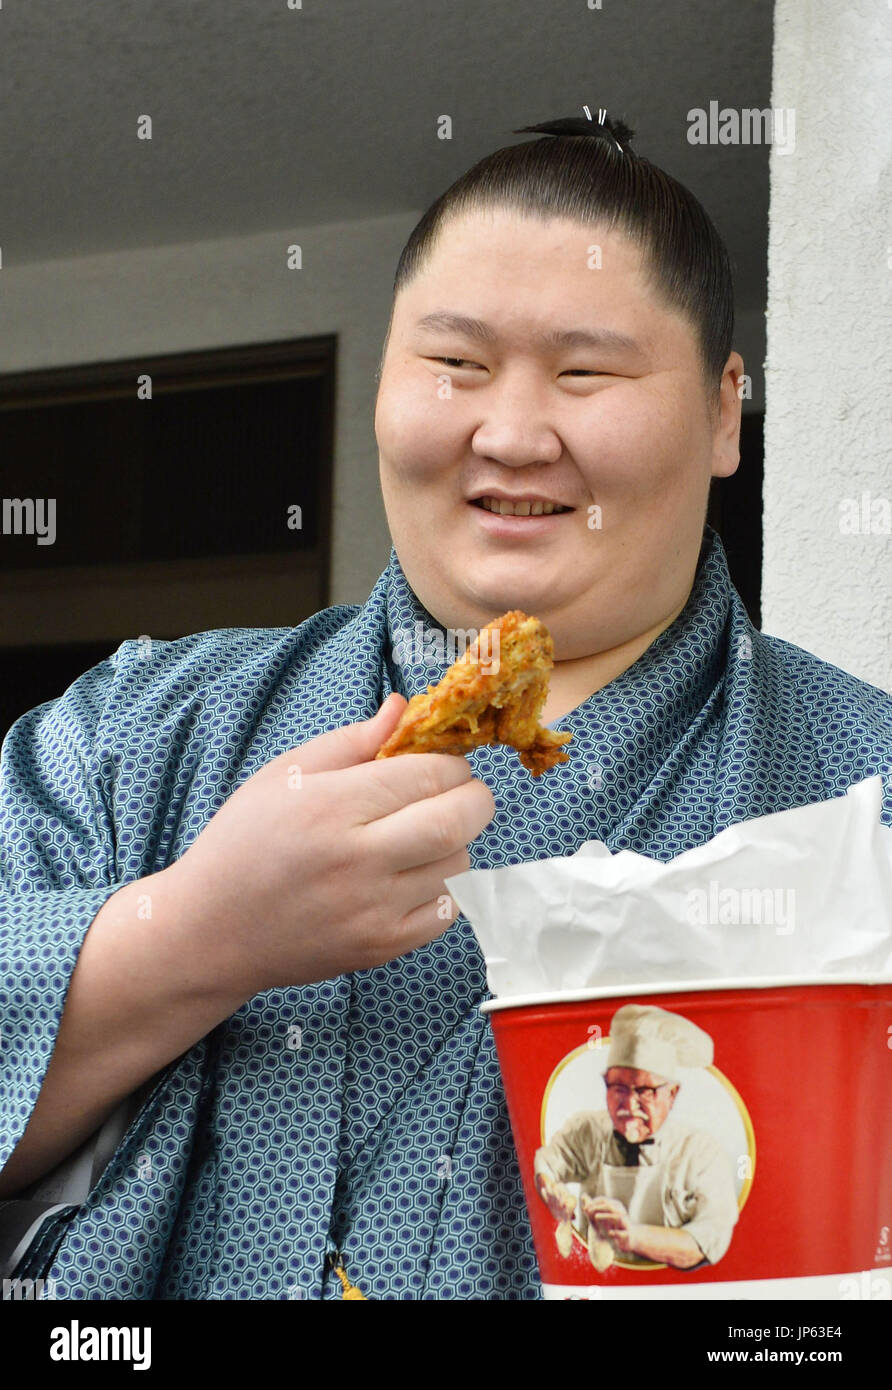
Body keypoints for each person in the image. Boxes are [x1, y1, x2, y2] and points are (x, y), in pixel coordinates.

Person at [1, 113, 890, 1301]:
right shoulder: (136, 728)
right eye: (455, 366)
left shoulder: (863, 780)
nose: (511, 434)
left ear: (725, 410)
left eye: (585, 372)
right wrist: (199, 933)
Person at [534, 1005, 740, 1271]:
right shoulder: (587, 1130)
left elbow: (709, 1238)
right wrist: (551, 1190)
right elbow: (549, 1163)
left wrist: (633, 1237)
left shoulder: (701, 1153)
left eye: (645, 1091)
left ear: (672, 1094)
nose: (629, 1106)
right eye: (618, 1088)